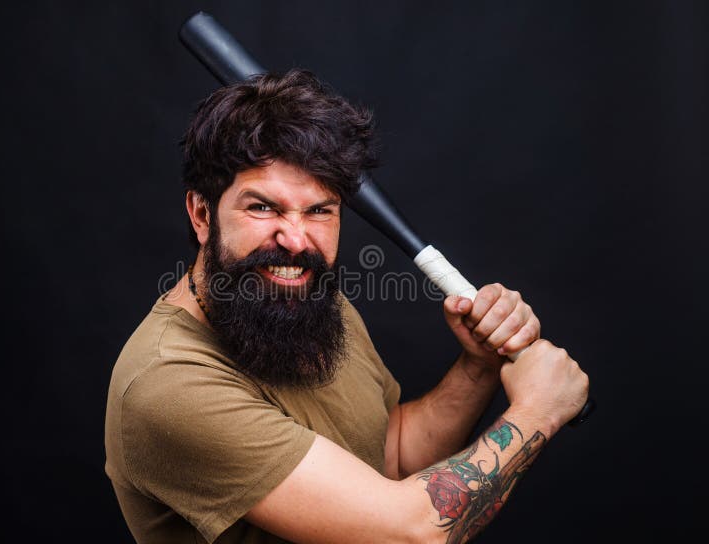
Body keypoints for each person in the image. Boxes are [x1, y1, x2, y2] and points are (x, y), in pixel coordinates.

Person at [104, 69, 589, 544]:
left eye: (319, 210)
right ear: (201, 213)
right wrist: (535, 412)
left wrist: (478, 366)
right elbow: (407, 533)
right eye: (263, 207)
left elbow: (390, 457)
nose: (295, 241)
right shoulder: (167, 384)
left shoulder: (304, 299)